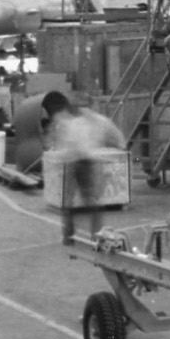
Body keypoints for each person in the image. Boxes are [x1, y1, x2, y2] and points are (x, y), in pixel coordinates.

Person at [41, 90, 126, 243]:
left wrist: (119, 143)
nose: (80, 108)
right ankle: (83, 235)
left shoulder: (81, 120)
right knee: (83, 201)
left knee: (81, 200)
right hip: (77, 161)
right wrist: (120, 144)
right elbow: (115, 134)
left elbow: (114, 133)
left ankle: (76, 235)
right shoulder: (81, 120)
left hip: (81, 161)